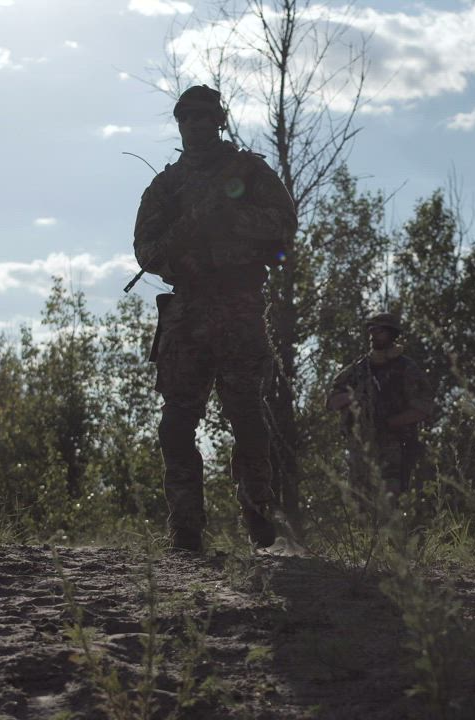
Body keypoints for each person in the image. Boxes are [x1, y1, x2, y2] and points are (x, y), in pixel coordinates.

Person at [133, 85, 298, 552]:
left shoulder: (250, 171)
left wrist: (229, 218)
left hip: (240, 304)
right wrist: (188, 232)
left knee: (247, 416)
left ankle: (258, 514)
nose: (198, 124)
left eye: (206, 117)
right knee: (176, 423)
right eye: (188, 117)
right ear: (179, 123)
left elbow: (283, 227)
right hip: (186, 311)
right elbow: (146, 252)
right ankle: (185, 527)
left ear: (219, 121)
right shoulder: (166, 187)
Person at [326, 312, 436, 500]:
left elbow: (424, 407)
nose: (373, 334)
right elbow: (331, 401)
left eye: (379, 330)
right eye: (371, 330)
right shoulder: (358, 369)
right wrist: (356, 396)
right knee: (359, 505)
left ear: (392, 334)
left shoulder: (406, 368)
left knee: (391, 507)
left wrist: (391, 422)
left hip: (395, 450)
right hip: (361, 450)